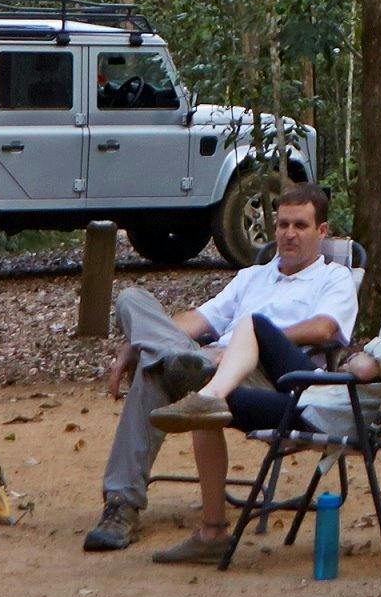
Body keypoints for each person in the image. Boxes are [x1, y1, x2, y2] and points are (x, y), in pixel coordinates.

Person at [85, 184, 362, 559]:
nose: (289, 234)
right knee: (134, 301)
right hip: (209, 361)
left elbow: (325, 329)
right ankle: (122, 503)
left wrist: (245, 345)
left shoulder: (334, 278)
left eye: (300, 225)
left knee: (156, 372)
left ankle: (123, 502)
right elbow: (197, 321)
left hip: (266, 376)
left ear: (322, 231)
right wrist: (137, 340)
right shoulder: (253, 276)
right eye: (282, 224)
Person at [202, 203, 381, 454]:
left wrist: (356, 362)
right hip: (341, 399)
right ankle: (211, 392)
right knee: (255, 324)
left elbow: (367, 369)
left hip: (329, 414)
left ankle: (207, 396)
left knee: (227, 400)